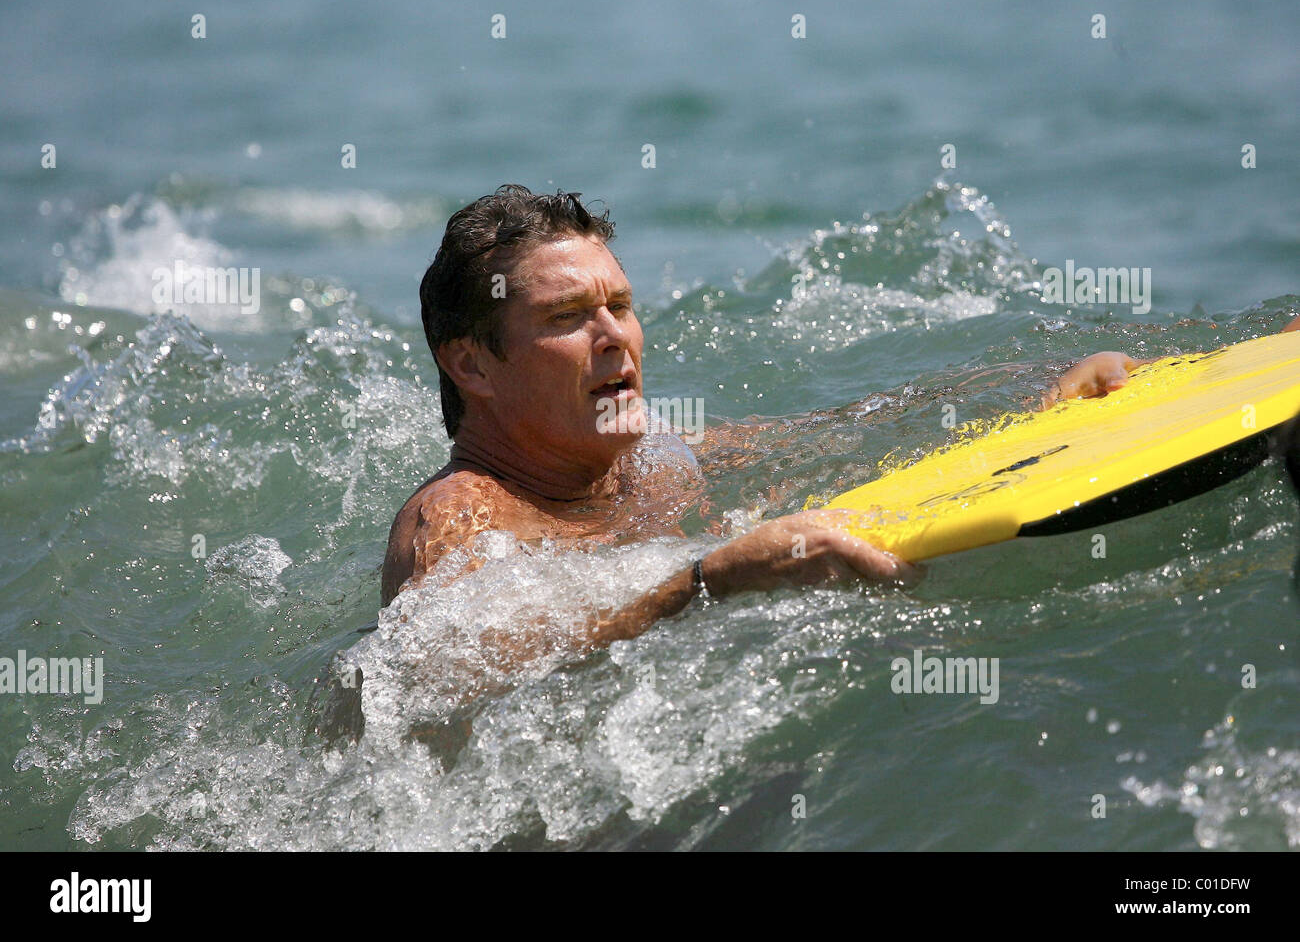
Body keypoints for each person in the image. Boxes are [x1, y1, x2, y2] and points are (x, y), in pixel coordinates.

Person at [383, 184, 1298, 665]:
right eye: (567, 317)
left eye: (621, 304)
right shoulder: (460, 516)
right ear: (471, 363)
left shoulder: (658, 458)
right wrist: (706, 582)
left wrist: (1038, 408)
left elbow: (848, 431)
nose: (616, 334)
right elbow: (469, 666)